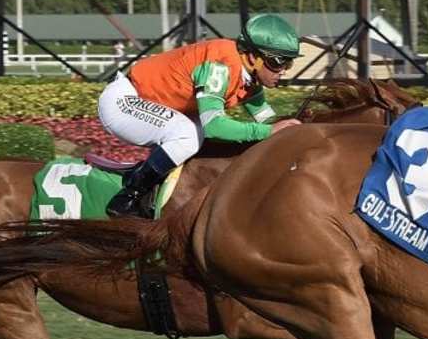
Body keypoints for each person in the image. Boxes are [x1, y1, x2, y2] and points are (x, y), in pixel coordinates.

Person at [99, 13, 303, 218]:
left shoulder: (249, 77)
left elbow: (266, 118)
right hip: (123, 103)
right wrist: (269, 131)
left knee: (199, 134)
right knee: (189, 134)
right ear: (252, 57)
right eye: (278, 62)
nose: (284, 70)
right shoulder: (220, 66)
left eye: (289, 63)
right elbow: (215, 126)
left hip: (149, 105)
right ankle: (128, 196)